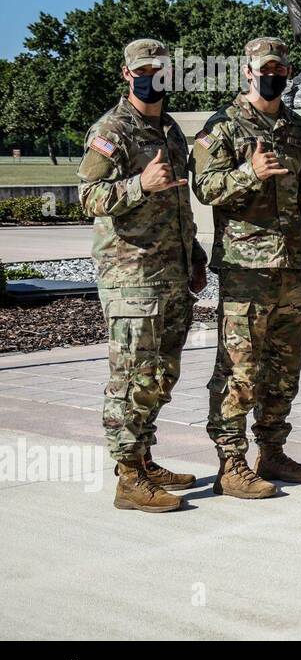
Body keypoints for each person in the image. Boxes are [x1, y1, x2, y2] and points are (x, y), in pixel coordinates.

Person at [78, 39, 207, 512]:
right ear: (126, 74)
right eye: (143, 69)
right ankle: (128, 477)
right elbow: (89, 196)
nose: (152, 76)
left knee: (160, 373)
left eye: (160, 70)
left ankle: (144, 457)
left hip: (170, 271)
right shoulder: (113, 130)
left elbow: (177, 202)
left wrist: (193, 253)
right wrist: (138, 184)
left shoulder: (170, 129)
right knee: (132, 375)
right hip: (131, 275)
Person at [191, 37, 301, 498]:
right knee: (239, 370)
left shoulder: (296, 128)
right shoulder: (223, 127)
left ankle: (272, 450)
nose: (273, 74)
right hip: (246, 271)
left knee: (283, 369)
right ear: (247, 72)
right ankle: (231, 462)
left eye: (280, 67)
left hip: (290, 268)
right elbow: (206, 187)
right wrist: (250, 173)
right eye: (264, 67)